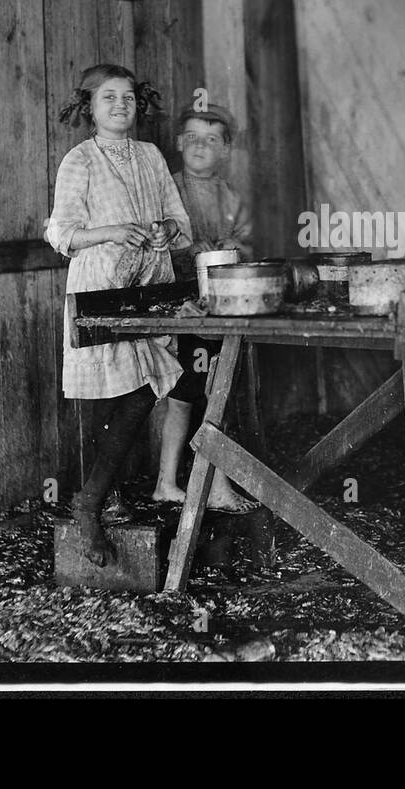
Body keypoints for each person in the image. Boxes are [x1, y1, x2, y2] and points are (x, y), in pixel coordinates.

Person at [44, 64, 192, 567]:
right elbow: (61, 234)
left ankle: (99, 495)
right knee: (133, 391)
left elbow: (181, 220)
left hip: (150, 288)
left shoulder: (151, 156)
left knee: (142, 390)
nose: (120, 106)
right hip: (102, 290)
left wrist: (165, 231)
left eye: (129, 97)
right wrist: (109, 232)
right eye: (108, 98)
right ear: (89, 107)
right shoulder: (79, 160)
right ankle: (91, 502)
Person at [155, 104, 257, 511]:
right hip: (181, 309)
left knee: (219, 392)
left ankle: (214, 484)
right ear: (179, 142)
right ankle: (166, 481)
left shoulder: (231, 196)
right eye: (193, 137)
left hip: (219, 311)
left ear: (226, 150)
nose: (200, 145)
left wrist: (231, 249)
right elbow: (158, 241)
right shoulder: (168, 190)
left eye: (212, 139)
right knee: (182, 396)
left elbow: (247, 242)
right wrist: (188, 251)